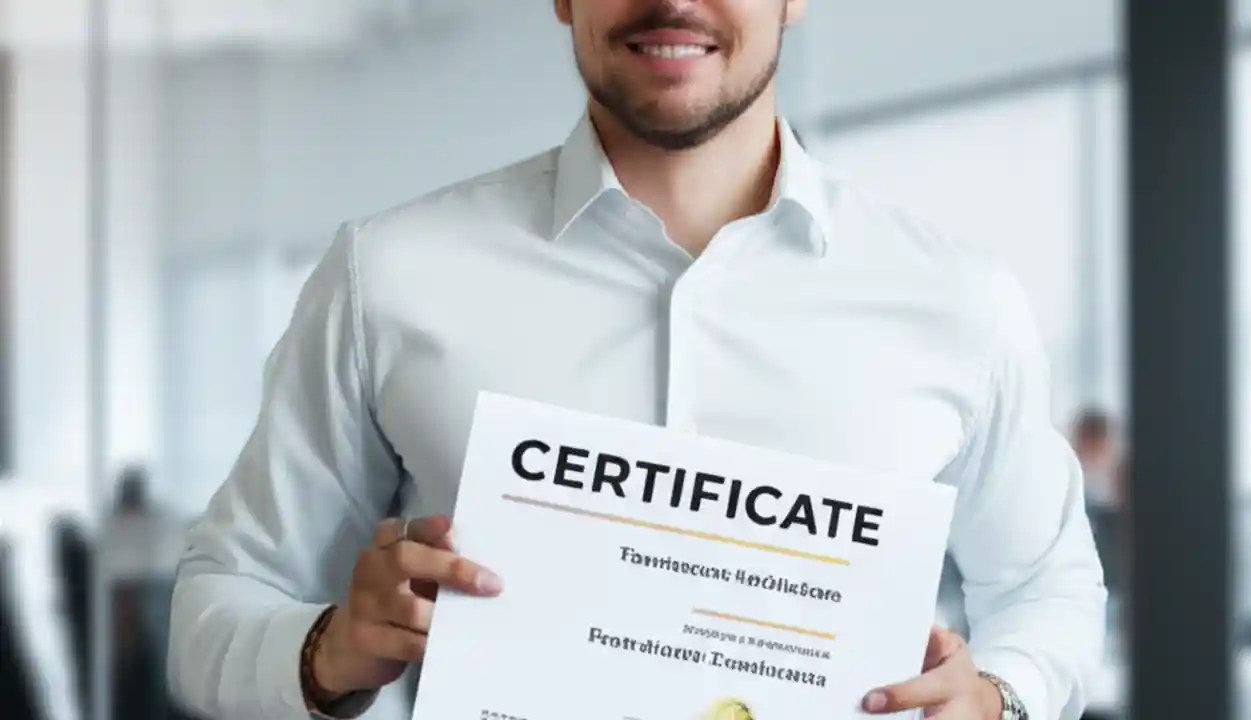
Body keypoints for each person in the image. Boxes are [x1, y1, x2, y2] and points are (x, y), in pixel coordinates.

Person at [168, 2, 1106, 719]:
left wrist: (1001, 696)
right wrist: (327, 651)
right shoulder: (389, 275)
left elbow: (1047, 587)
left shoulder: (956, 300)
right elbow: (215, 603)